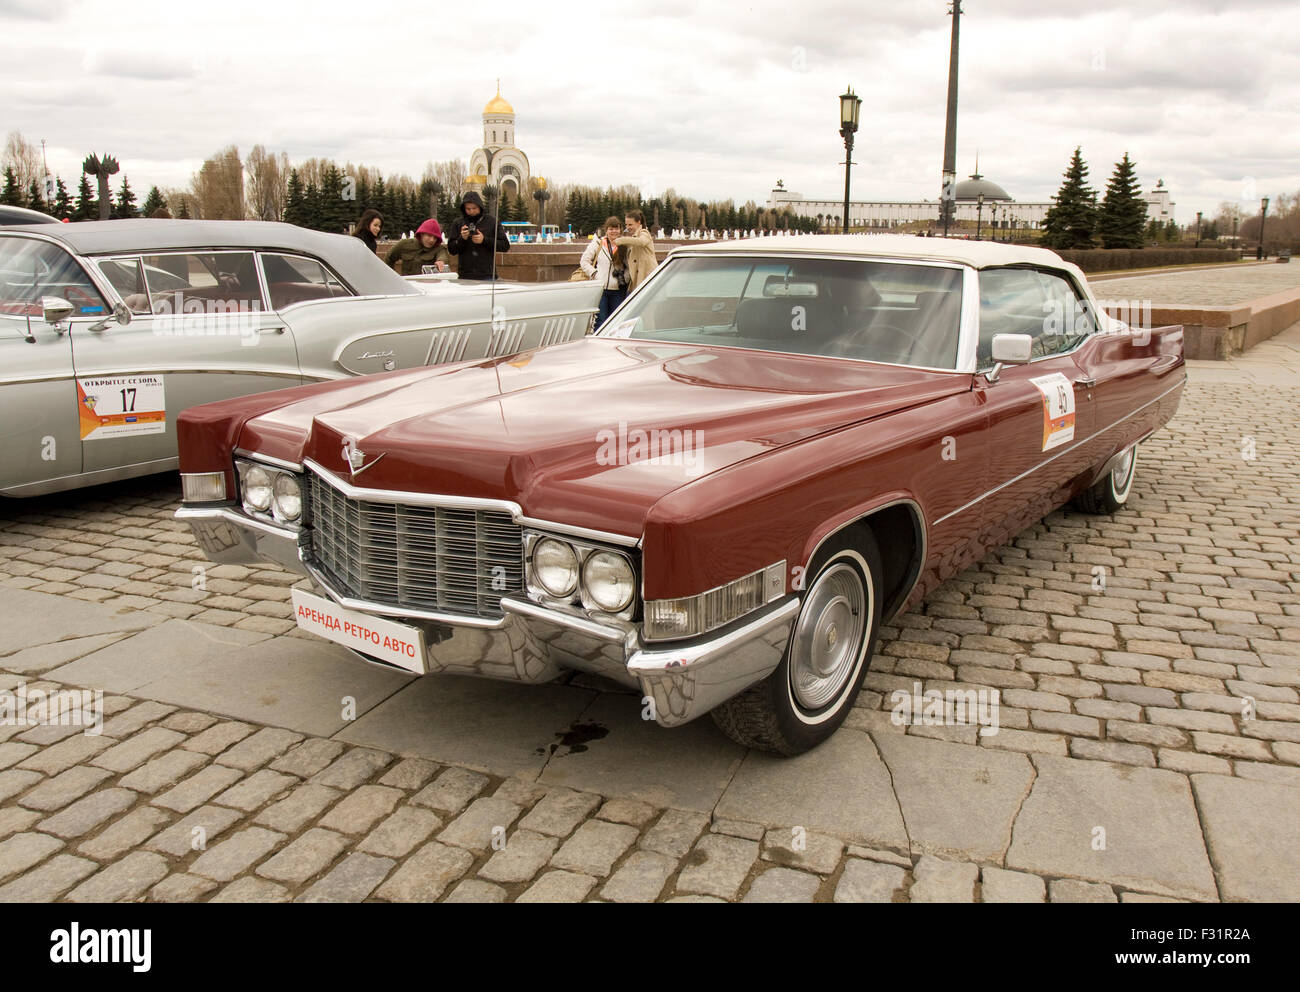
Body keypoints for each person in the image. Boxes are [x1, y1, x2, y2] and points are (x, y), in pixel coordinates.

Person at [446, 191, 509, 280]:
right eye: (468, 209)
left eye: (474, 208)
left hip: (487, 275)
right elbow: (451, 249)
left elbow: (505, 246)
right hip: (465, 276)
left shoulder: (492, 222)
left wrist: (484, 240)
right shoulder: (458, 223)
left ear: (480, 207)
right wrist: (462, 239)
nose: (471, 211)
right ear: (464, 209)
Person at [580, 216, 628, 328]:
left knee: (616, 322)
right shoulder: (598, 244)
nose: (614, 231)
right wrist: (595, 274)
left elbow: (629, 266)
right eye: (611, 229)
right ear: (606, 230)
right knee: (600, 321)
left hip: (618, 290)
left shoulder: (624, 245)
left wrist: (625, 278)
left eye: (616, 228)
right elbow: (584, 261)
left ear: (620, 229)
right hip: (601, 290)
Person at [386, 219, 452, 275]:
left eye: (435, 238)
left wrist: (441, 262)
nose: (432, 240)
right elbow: (389, 257)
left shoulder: (439, 248)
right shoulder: (404, 244)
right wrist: (390, 276)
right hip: (407, 285)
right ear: (421, 234)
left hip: (427, 286)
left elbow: (443, 256)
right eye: (429, 235)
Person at [614, 209, 657, 290]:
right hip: (639, 280)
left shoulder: (644, 233)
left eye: (630, 224)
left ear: (639, 222)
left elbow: (641, 242)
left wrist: (621, 240)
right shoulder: (634, 237)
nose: (627, 227)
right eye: (626, 225)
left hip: (648, 279)